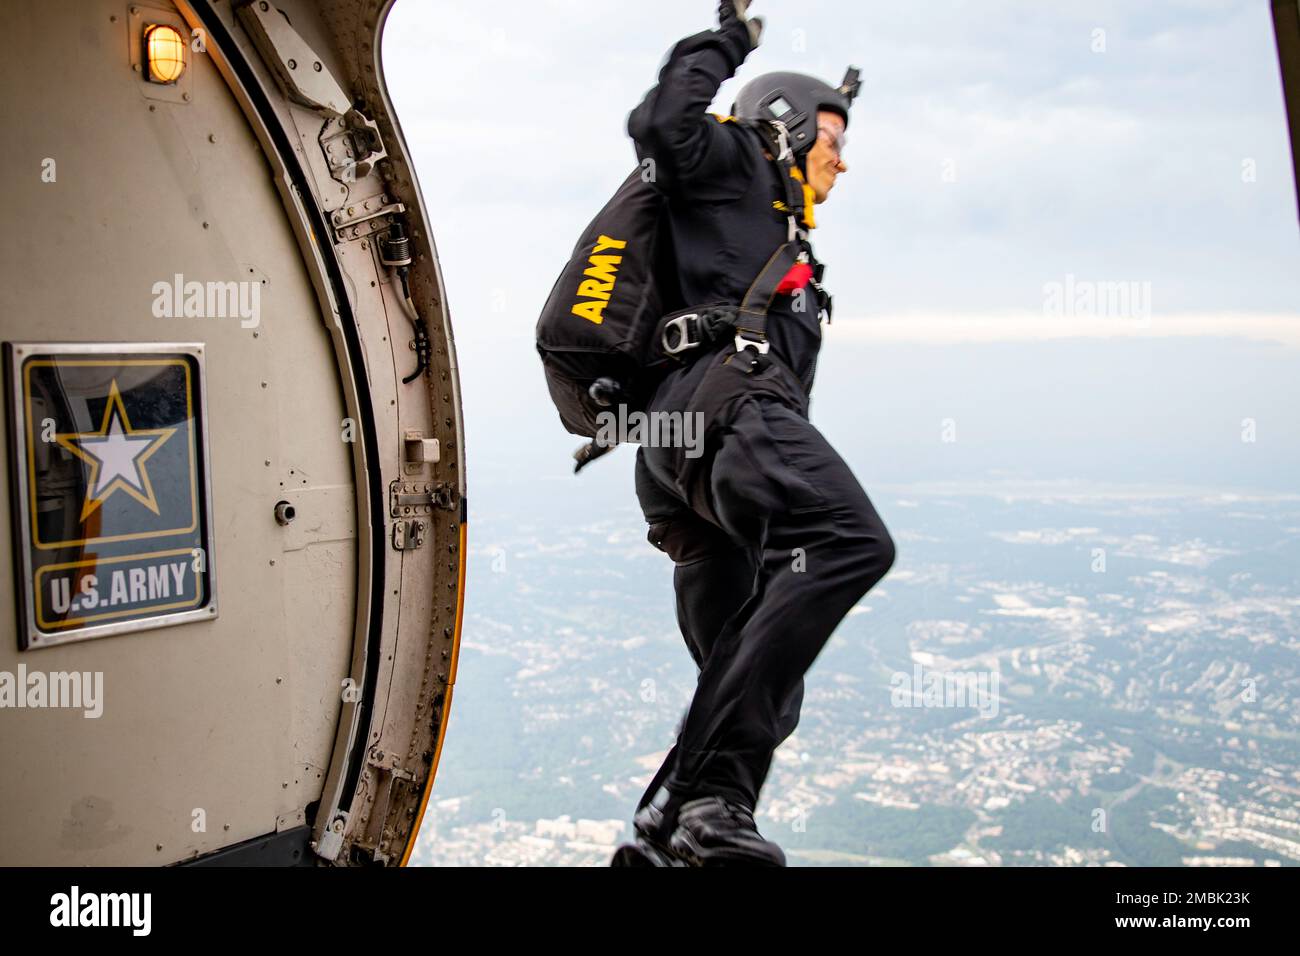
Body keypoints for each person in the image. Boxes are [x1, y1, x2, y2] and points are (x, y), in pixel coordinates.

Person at [616, 0, 896, 866]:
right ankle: (711, 807)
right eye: (834, 140)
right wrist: (730, 39)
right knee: (848, 540)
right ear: (788, 124)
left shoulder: (778, 243)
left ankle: (668, 833)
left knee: (754, 670)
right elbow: (662, 121)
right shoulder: (737, 163)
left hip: (693, 453)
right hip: (721, 415)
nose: (844, 164)